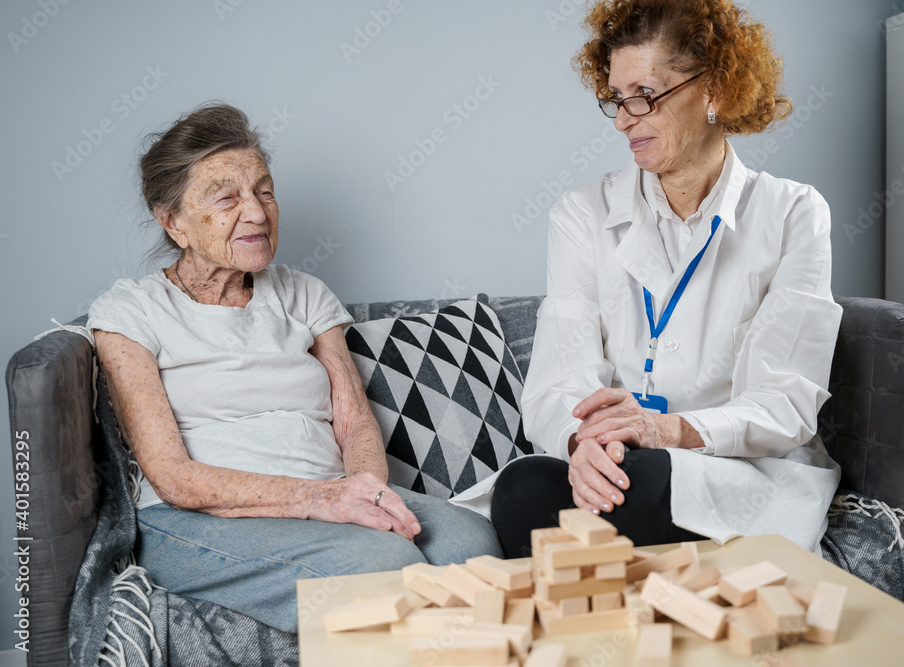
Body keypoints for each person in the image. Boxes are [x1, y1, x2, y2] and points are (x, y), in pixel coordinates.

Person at [88, 103, 502, 633]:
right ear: (174, 222)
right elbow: (174, 477)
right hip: (195, 519)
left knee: (472, 543)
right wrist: (322, 500)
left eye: (264, 190)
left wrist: (366, 491)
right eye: (227, 198)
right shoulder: (129, 312)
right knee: (380, 569)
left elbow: (352, 420)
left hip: (332, 490)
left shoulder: (304, 293)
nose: (258, 213)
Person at [490, 0, 843, 558]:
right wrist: (587, 442)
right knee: (522, 488)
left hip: (733, 470)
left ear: (716, 90)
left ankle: (628, 623)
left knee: (645, 483)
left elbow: (785, 402)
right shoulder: (581, 213)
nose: (626, 119)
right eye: (616, 99)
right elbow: (562, 377)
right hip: (622, 462)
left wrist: (669, 431)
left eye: (645, 95)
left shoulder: (793, 212)